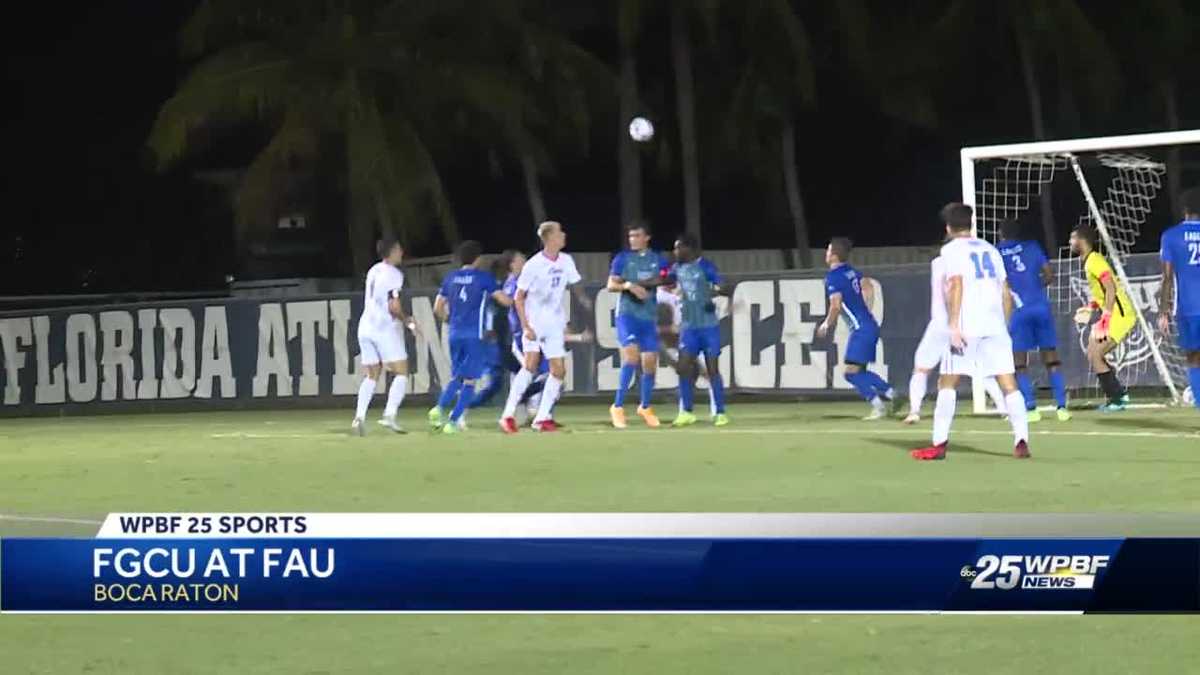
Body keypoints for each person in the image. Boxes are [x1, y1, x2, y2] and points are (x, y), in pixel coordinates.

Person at [911, 203, 1030, 460]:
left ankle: (939, 444)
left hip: (968, 325)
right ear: (970, 224)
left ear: (948, 227)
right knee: (1009, 383)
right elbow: (1005, 291)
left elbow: (955, 284)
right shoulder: (990, 248)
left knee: (948, 381)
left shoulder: (951, 250)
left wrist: (953, 324)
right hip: (995, 325)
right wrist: (1005, 325)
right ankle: (1021, 440)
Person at [499, 221, 591, 432]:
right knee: (530, 366)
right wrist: (526, 326)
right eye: (559, 232)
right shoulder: (533, 265)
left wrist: (584, 299)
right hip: (534, 323)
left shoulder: (566, 260)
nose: (564, 235)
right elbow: (518, 298)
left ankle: (541, 418)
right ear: (549, 238)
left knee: (558, 371)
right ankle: (507, 415)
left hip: (553, 324)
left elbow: (575, 284)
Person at [905, 253, 1007, 424]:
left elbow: (951, 289)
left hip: (943, 324)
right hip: (964, 323)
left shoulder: (940, 263)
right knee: (980, 367)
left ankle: (915, 410)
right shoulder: (974, 263)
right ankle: (1004, 408)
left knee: (921, 369)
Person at [429, 241, 512, 433]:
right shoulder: (483, 278)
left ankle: (439, 409)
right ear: (478, 259)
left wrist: (449, 320)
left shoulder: (450, 278)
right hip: (474, 335)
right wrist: (520, 298)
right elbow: (504, 300)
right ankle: (451, 421)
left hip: (454, 334)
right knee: (470, 380)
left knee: (457, 375)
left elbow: (437, 308)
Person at [996, 219, 1069, 422]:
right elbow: (1049, 275)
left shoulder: (996, 252)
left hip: (1018, 311)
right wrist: (1033, 287)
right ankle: (1062, 407)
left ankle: (1030, 409)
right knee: (1052, 358)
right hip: (1040, 308)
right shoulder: (1033, 246)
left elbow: (1000, 283)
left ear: (1001, 234)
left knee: (1019, 362)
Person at [816, 237, 897, 420]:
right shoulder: (852, 272)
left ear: (834, 256)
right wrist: (867, 308)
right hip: (869, 326)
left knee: (851, 374)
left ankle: (885, 400)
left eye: (828, 250)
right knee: (858, 372)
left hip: (861, 330)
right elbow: (868, 286)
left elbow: (835, 305)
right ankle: (889, 396)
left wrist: (826, 324)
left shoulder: (833, 277)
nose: (826, 253)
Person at [607, 223, 671, 428]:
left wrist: (650, 284)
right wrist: (629, 286)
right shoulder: (623, 259)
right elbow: (611, 285)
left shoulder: (658, 259)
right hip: (627, 315)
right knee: (632, 356)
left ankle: (644, 406)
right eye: (630, 236)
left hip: (648, 317)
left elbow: (666, 277)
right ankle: (617, 406)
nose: (632, 239)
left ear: (647, 238)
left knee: (650, 362)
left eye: (637, 235)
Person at [352, 237, 415, 436]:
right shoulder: (394, 274)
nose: (402, 252)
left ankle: (359, 418)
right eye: (399, 249)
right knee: (401, 372)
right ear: (393, 251)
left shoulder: (374, 269)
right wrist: (408, 321)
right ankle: (389, 415)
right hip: (382, 328)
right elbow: (393, 306)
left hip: (365, 326)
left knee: (372, 374)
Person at [1070, 224, 1135, 411]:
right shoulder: (1089, 261)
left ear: (1081, 241)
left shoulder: (1094, 260)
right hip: (1112, 313)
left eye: (1072, 238)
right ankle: (1119, 394)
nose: (1070, 242)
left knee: (1096, 354)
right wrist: (1091, 307)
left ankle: (1117, 399)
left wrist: (1106, 316)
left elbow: (1111, 287)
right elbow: (1102, 291)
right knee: (1092, 353)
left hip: (1120, 315)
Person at [669, 234, 729, 427]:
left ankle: (719, 413)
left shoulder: (706, 266)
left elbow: (725, 286)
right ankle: (686, 412)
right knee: (683, 368)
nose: (675, 252)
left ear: (690, 249)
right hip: (689, 328)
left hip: (708, 326)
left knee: (712, 369)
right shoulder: (677, 268)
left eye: (679, 248)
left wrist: (716, 290)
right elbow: (663, 279)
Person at [1157, 186, 1200, 409]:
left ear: (1185, 209)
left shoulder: (1171, 236)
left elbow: (1167, 276)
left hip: (1189, 307)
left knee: (1193, 357)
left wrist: (1163, 310)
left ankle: (1199, 402)